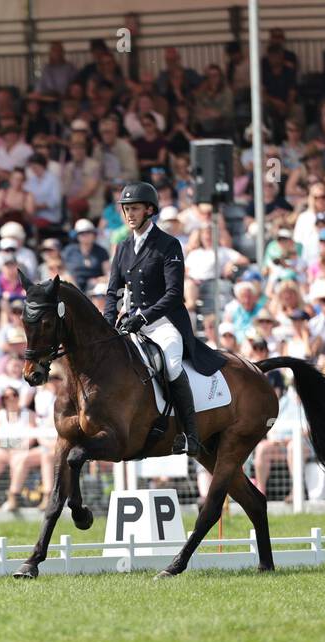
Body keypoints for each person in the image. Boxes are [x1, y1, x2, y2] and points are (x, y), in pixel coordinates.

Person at [103, 181, 226, 457]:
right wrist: (107, 323)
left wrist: (144, 317)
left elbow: (174, 294)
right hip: (131, 323)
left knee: (171, 366)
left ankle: (190, 434)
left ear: (149, 210)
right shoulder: (122, 247)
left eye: (134, 209)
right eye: (126, 209)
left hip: (164, 323)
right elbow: (114, 291)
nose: (129, 214)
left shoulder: (168, 245)